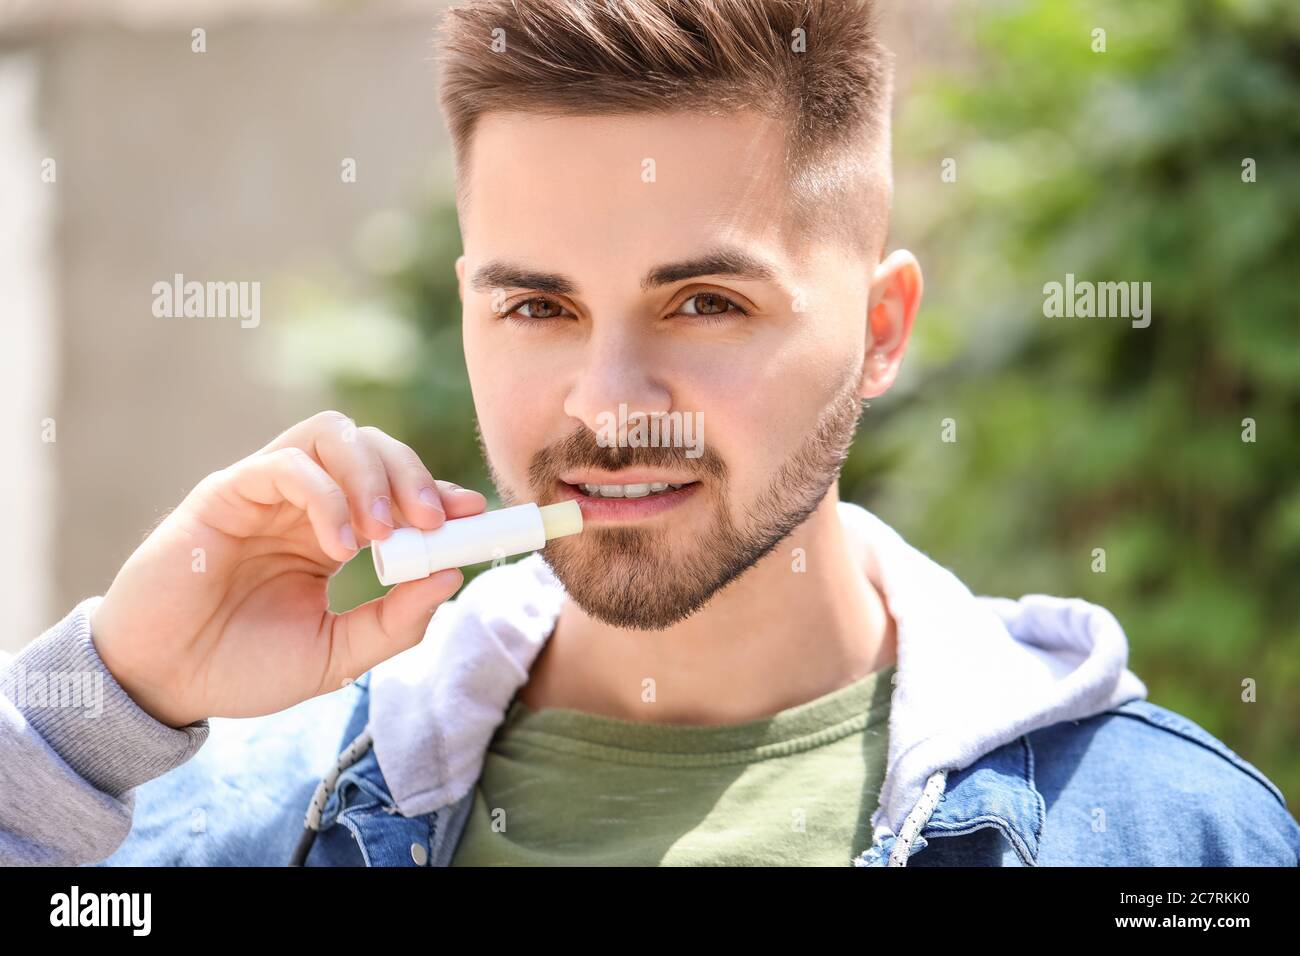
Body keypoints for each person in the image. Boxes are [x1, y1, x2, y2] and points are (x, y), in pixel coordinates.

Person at [2, 0, 1296, 867]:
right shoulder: (252, 821)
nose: (608, 404)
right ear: (470, 315)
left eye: (704, 302)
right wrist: (105, 705)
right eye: (538, 305)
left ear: (884, 328)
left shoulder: (1176, 847)